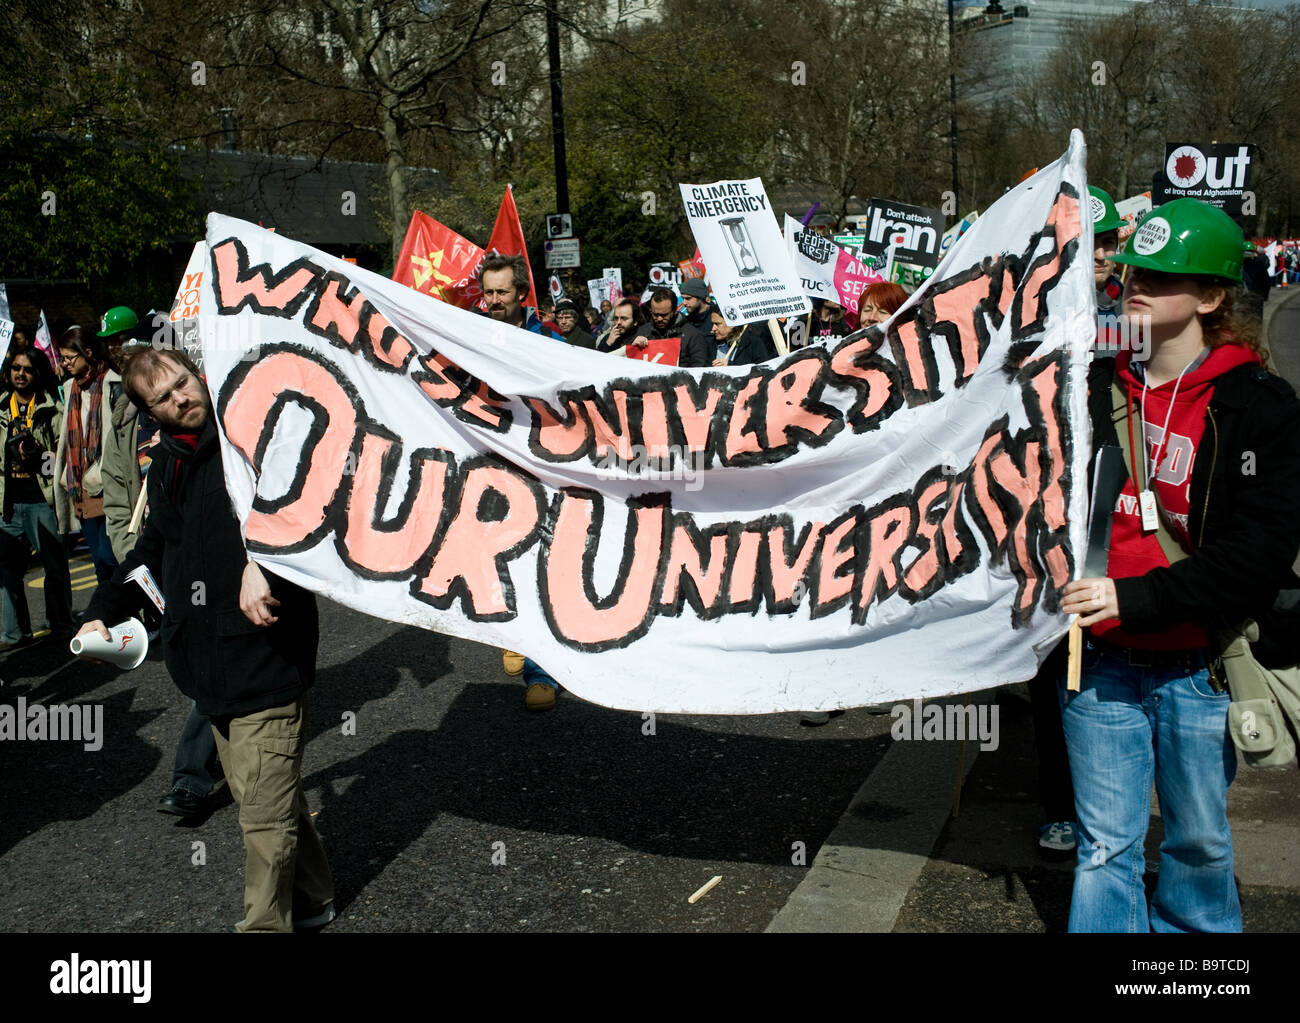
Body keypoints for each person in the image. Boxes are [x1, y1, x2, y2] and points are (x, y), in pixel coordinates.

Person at [1060, 198, 1300, 932]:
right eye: (1135, 269)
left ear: (1212, 296)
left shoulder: (1260, 406)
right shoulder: (1089, 389)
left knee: (1197, 842)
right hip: (1095, 660)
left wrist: (1135, 598)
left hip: (1202, 665)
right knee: (1104, 847)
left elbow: (1254, 558)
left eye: (1166, 277)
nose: (1137, 284)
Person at [74, 347, 334, 931]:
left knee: (262, 821)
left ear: (199, 372)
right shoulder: (166, 462)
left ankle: (264, 926)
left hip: (269, 658)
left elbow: (310, 510)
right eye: (162, 397)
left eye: (183, 383)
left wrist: (262, 561)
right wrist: (101, 613)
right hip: (206, 667)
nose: (181, 399)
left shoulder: (251, 434)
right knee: (266, 799)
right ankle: (315, 899)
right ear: (150, 412)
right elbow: (151, 553)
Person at [476, 254, 566, 710]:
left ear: (521, 295)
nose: (491, 301)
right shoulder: (462, 334)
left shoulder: (548, 341)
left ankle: (542, 671)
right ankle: (513, 633)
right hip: (489, 467)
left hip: (540, 467)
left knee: (542, 563)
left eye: (501, 293)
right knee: (499, 558)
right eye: (487, 293)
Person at [0, 348, 74, 650]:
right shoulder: (1, 408)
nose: (20, 374)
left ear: (37, 374)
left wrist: (39, 459)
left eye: (27, 369)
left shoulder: (51, 408)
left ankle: (61, 626)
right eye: (16, 368)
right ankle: (14, 633)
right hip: (7, 501)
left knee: (54, 567)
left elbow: (62, 460)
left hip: (42, 500)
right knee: (7, 571)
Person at [53, 326, 121, 584]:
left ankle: (136, 613)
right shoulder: (69, 386)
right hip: (80, 484)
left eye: (70, 357)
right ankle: (112, 618)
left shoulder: (113, 383)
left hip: (107, 482)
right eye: (63, 358)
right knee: (100, 562)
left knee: (111, 556)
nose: (65, 364)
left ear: (88, 353)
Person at [1089, 186, 1127, 358]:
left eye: (1108, 242)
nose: (1100, 255)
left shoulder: (1133, 304)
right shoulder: (1046, 308)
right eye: (1088, 244)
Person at [631, 288, 710, 367]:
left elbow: (699, 370)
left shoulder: (693, 336)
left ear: (674, 310)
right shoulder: (643, 331)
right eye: (655, 314)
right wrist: (633, 349)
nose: (659, 319)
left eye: (664, 315)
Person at [710, 307, 776, 367]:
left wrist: (730, 365)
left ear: (731, 324)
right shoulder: (711, 343)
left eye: (717, 324)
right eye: (712, 324)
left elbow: (762, 369)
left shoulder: (752, 343)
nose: (713, 328)